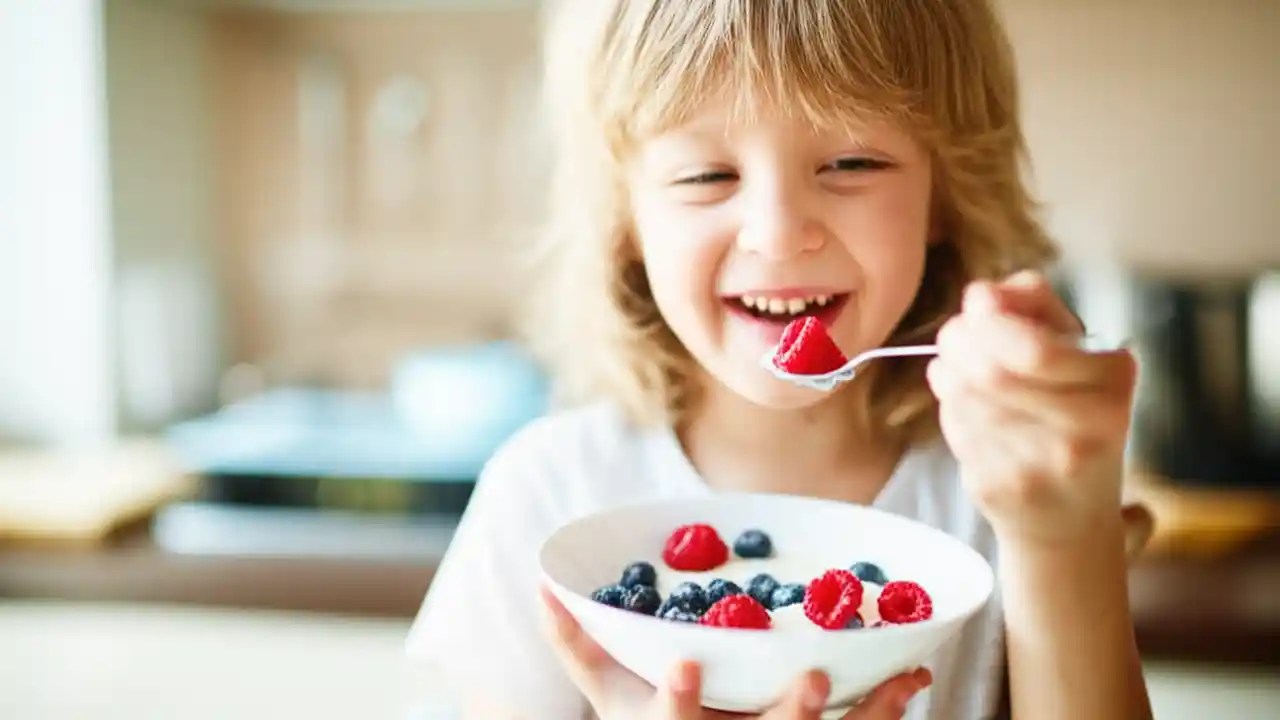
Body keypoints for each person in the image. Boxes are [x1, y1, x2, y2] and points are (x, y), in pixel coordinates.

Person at [406, 1, 1155, 718]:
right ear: (625, 223)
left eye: (852, 161)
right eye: (707, 176)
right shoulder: (549, 496)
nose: (778, 233)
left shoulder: (1002, 493)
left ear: (945, 199)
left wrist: (1061, 534)